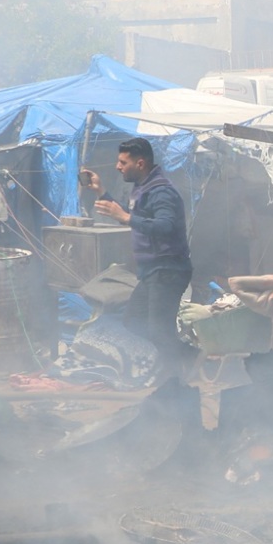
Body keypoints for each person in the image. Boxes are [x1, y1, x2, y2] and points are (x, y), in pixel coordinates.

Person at [82, 135, 193, 371]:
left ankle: (179, 374)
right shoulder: (143, 188)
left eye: (123, 163)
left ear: (140, 163)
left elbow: (166, 226)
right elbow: (133, 216)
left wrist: (125, 218)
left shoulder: (161, 192)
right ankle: (184, 360)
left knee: (159, 329)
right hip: (152, 271)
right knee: (133, 321)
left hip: (168, 270)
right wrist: (102, 192)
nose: (117, 167)